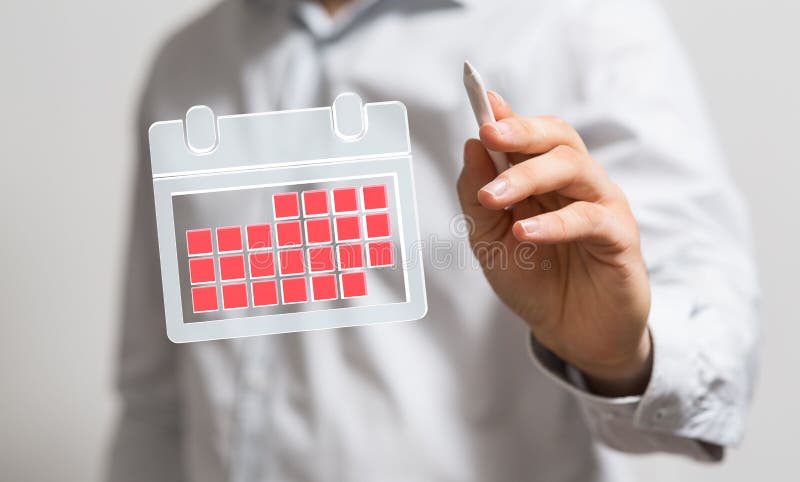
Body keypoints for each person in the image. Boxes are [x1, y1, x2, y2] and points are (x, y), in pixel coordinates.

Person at [108, 0, 760, 481]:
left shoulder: (580, 25)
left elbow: (718, 345)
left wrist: (619, 354)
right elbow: (156, 396)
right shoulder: (188, 62)